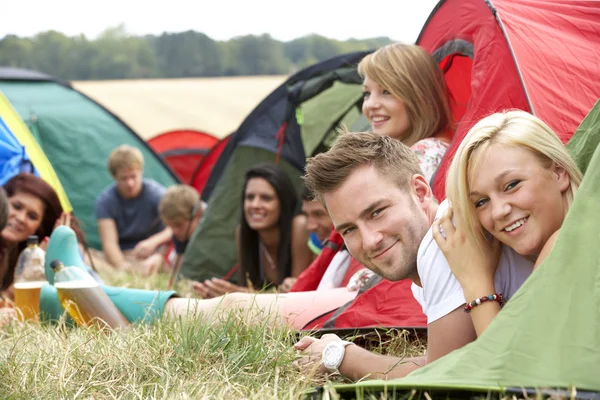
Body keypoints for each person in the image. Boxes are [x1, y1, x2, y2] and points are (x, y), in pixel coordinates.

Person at [293, 131, 533, 379]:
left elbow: (441, 379)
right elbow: (449, 359)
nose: (370, 240)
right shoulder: (434, 246)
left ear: (420, 191)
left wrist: (340, 356)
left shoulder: (444, 240)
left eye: (376, 212)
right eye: (350, 229)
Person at [432, 110, 582, 337]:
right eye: (481, 202)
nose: (499, 211)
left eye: (512, 185)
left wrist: (475, 282)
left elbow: (508, 368)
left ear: (559, 173)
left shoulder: (565, 243)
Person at [192, 163, 313, 298]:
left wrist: (238, 293)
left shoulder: (299, 227)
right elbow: (248, 289)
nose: (255, 205)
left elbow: (297, 295)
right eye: (249, 197)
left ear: (283, 202)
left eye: (266, 198)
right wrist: (217, 295)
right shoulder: (243, 233)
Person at [0, 173, 88, 300]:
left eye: (32, 216)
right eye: (16, 206)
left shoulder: (30, 253)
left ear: (38, 227)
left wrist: (56, 248)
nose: (21, 218)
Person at [94, 145, 172, 275]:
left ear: (141, 172)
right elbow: (109, 244)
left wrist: (153, 242)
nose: (130, 183)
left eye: (133, 177)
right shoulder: (105, 201)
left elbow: (173, 229)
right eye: (124, 178)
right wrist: (123, 268)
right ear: (115, 177)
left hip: (156, 251)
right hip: (125, 254)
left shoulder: (156, 194)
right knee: (86, 256)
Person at [158, 184, 203, 271]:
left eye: (179, 225)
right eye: (171, 226)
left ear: (197, 215)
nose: (175, 232)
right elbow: (179, 269)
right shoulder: (180, 235)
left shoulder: (212, 231)